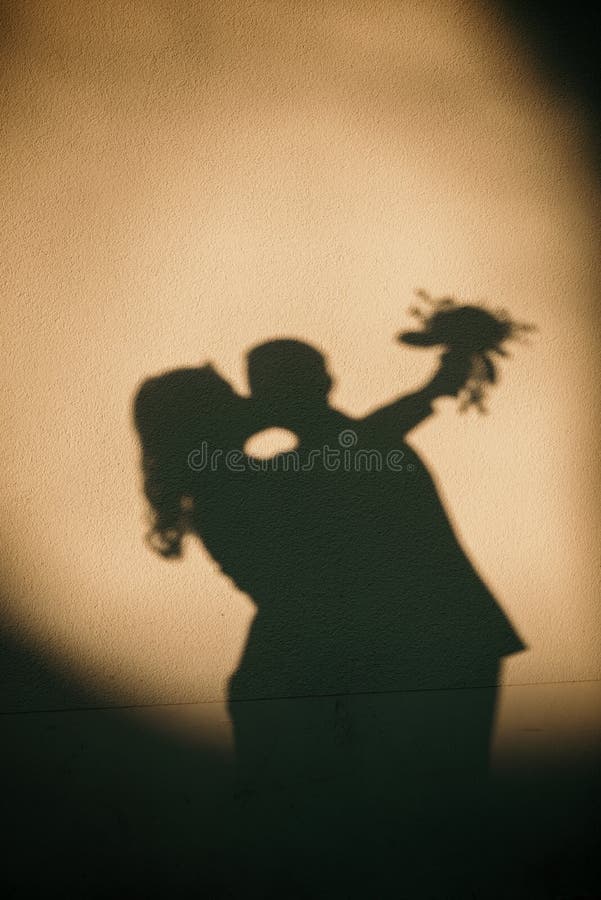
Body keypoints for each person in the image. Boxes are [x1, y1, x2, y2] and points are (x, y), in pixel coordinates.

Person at [134, 333, 525, 895]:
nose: (248, 403)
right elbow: (346, 450)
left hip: (360, 664)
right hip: (341, 672)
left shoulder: (243, 481)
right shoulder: (239, 488)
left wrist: (308, 405)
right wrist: (426, 390)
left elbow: (347, 447)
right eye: (233, 398)